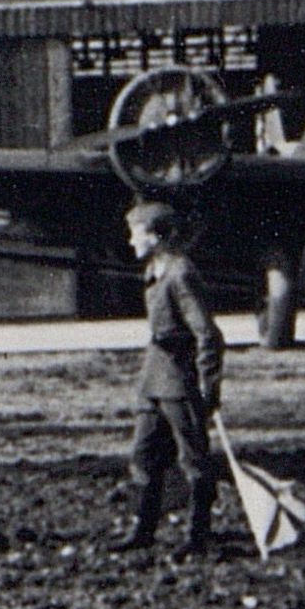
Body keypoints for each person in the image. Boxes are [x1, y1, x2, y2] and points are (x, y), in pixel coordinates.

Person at [114, 199, 224, 558]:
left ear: (157, 237)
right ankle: (143, 530)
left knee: (193, 460)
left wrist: (209, 388)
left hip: (178, 381)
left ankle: (197, 536)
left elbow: (207, 334)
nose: (131, 240)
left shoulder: (180, 274)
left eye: (136, 233)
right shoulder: (155, 271)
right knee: (143, 455)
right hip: (153, 379)